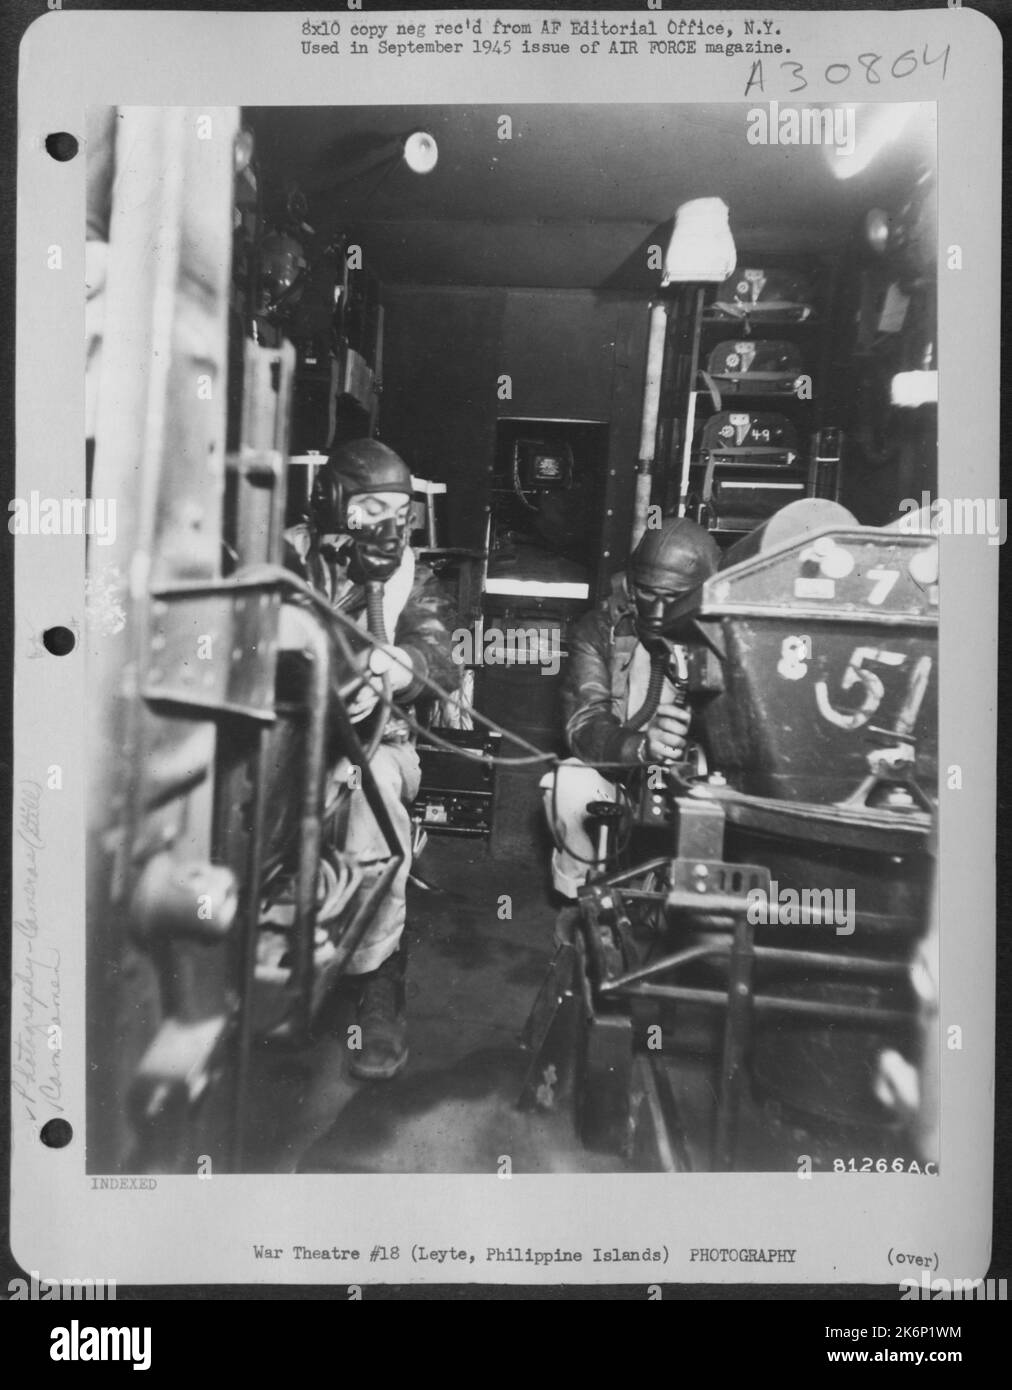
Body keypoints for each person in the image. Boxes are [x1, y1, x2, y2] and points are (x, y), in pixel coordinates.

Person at [284, 438, 454, 1079]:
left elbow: (443, 653)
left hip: (379, 745)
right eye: (371, 507)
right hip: (286, 739)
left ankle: (376, 983)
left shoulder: (412, 576)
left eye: (400, 511)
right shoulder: (284, 556)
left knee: (371, 795)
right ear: (332, 502)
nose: (390, 524)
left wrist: (405, 664)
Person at [541, 516, 720, 898]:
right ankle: (581, 907)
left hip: (706, 795)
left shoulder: (731, 640)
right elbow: (584, 724)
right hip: (624, 785)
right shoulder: (599, 631)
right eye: (645, 592)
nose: (655, 611)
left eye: (673, 598)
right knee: (566, 785)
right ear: (629, 583)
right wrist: (642, 746)